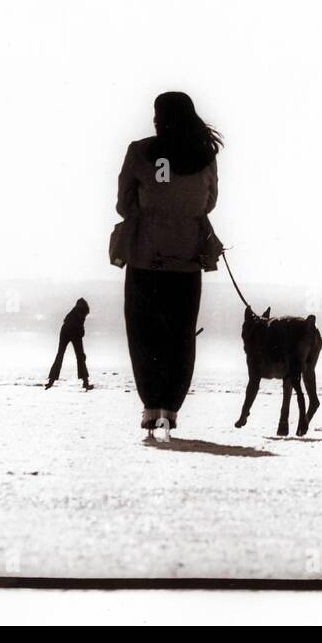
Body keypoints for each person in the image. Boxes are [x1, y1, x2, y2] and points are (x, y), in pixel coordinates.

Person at [116, 91, 221, 441]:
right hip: (187, 260)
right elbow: (209, 202)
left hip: (145, 258)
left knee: (144, 335)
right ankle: (170, 411)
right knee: (180, 338)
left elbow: (123, 203)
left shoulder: (140, 151)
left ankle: (150, 407)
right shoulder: (205, 156)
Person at [46, 298, 91, 390]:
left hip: (67, 330)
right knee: (78, 356)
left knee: (61, 355)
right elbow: (80, 330)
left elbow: (77, 327)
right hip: (71, 331)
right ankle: (85, 382)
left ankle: (51, 381)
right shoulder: (80, 314)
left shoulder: (74, 313)